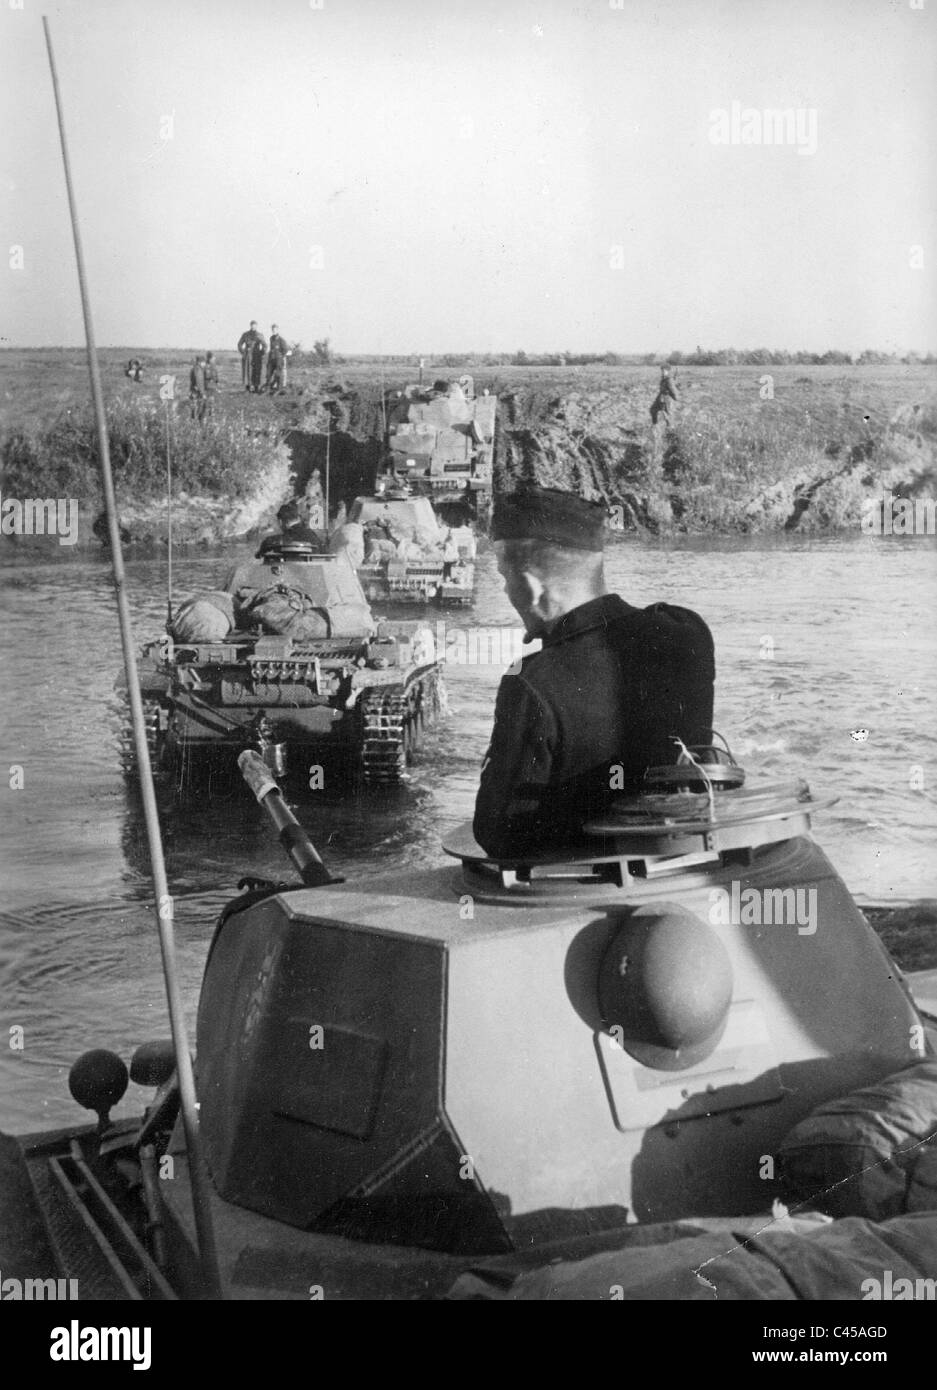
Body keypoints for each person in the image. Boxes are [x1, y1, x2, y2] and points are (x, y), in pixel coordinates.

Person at [473, 485, 715, 859]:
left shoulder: (533, 683)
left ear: (530, 585)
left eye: (506, 578)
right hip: (680, 856)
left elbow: (498, 834)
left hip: (584, 875)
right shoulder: (686, 632)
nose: (507, 589)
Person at [256, 499, 326, 556]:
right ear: (298, 518)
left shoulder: (286, 537)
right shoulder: (313, 535)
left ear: (280, 521)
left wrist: (259, 553)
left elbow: (268, 542)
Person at [237, 321, 267, 393]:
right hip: (248, 355)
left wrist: (262, 353)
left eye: (254, 325)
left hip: (256, 355)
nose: (253, 327)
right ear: (250, 326)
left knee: (256, 371)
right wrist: (243, 352)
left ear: (256, 326)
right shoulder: (245, 334)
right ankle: (247, 387)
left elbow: (265, 345)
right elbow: (239, 344)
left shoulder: (260, 335)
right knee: (247, 370)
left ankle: (256, 387)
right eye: (252, 325)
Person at [266, 324, 290, 394]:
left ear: (277, 330)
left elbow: (285, 350)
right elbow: (271, 349)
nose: (274, 331)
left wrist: (280, 356)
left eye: (275, 330)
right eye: (272, 330)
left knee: (278, 374)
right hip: (271, 359)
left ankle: (278, 389)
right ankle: (268, 388)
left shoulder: (281, 340)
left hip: (278, 360)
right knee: (268, 373)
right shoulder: (271, 338)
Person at [188, 355, 207, 421]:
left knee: (193, 409)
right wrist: (202, 393)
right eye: (204, 362)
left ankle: (193, 422)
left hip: (193, 391)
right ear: (200, 362)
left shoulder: (194, 368)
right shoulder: (199, 370)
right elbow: (199, 382)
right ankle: (199, 423)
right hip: (197, 393)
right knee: (201, 408)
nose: (204, 364)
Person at [203, 352, 219, 418]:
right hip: (211, 384)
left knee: (207, 398)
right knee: (211, 398)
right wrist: (216, 381)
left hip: (207, 384)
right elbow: (215, 374)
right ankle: (210, 412)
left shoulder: (205, 365)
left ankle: (208, 412)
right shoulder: (212, 365)